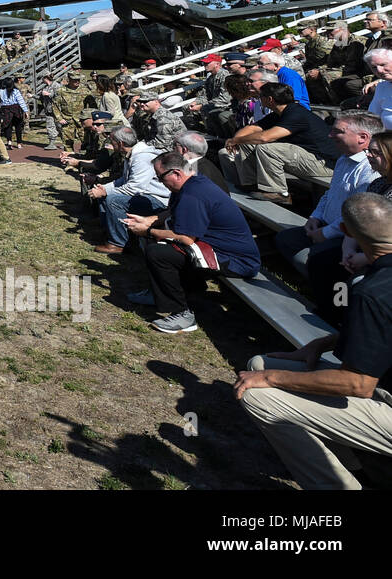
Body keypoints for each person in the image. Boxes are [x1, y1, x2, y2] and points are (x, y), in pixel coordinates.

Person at [236, 193, 392, 489]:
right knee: (260, 363)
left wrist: (273, 378)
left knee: (258, 395)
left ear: (346, 232)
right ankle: (362, 467)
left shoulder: (373, 290)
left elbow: (358, 384)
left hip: (379, 394)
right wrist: (322, 344)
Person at [122, 150, 261, 334]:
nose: (160, 182)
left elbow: (186, 238)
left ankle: (182, 314)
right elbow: (171, 215)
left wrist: (147, 231)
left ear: (177, 174)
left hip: (235, 259)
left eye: (160, 178)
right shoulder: (190, 185)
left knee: (159, 253)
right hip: (213, 248)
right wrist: (148, 222)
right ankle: (162, 293)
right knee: (156, 243)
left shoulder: (193, 194)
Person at [275, 112, 380, 326]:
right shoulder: (344, 159)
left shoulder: (370, 170)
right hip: (329, 226)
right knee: (286, 239)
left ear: (362, 138)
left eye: (337, 131)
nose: (330, 135)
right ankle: (322, 290)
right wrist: (315, 217)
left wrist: (326, 233)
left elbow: (358, 213)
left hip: (347, 235)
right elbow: (330, 193)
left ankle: (337, 308)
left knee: (322, 261)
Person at [219, 82, 338, 204]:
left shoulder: (296, 114)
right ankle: (252, 184)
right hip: (308, 157)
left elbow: (265, 138)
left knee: (267, 149)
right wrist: (236, 140)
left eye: (261, 96)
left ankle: (279, 193)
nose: (259, 99)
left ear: (270, 99)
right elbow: (253, 128)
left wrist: (236, 140)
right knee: (247, 142)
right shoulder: (279, 113)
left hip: (323, 163)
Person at [84, 126, 168, 255]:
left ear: (121, 143)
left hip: (157, 200)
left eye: (112, 141)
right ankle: (107, 230)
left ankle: (118, 243)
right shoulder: (133, 154)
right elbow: (124, 180)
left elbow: (135, 187)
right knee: (106, 194)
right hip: (146, 195)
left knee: (113, 200)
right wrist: (104, 188)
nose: (110, 144)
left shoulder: (142, 157)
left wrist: (106, 192)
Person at [0, 78, 28, 149]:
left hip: (5, 109)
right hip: (15, 109)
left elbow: (0, 102)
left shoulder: (1, 91)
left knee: (8, 126)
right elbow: (21, 101)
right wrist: (25, 111)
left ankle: (9, 142)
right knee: (18, 126)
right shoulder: (16, 91)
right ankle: (19, 143)